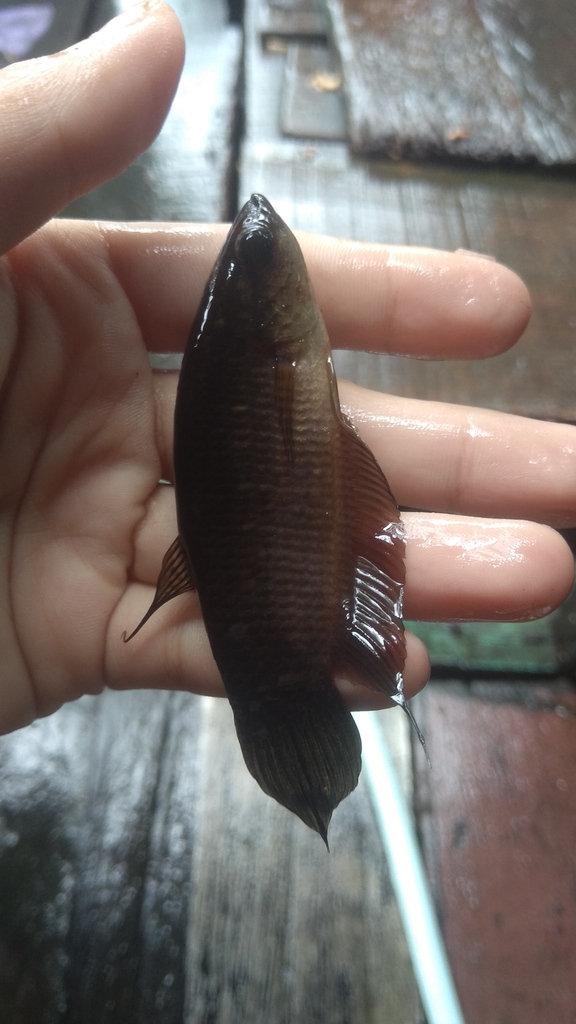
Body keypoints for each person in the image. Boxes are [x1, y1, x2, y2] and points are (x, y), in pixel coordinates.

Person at [0, 0, 573, 735]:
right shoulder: (269, 354)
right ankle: (305, 701)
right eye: (261, 259)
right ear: (275, 328)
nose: (264, 234)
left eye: (258, 254)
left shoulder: (261, 354)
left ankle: (307, 703)